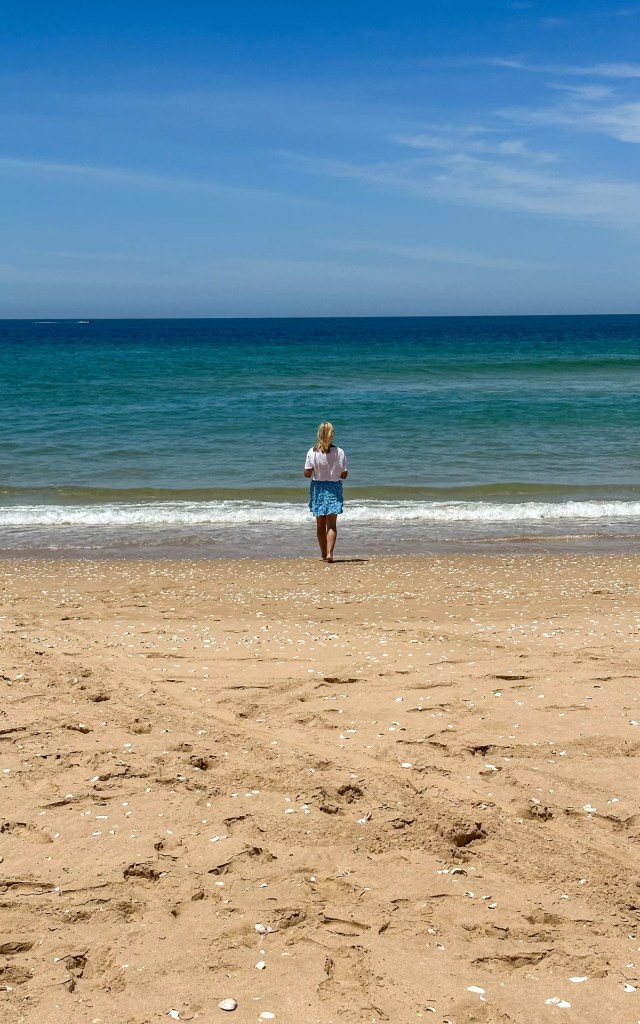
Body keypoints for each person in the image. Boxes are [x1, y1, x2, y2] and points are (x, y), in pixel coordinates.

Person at [304, 422, 348, 562]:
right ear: (332, 435)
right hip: (334, 487)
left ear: (319, 434)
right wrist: (334, 473)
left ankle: (323, 554)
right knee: (332, 524)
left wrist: (312, 471)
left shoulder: (312, 452)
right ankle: (330, 553)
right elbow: (344, 474)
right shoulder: (339, 451)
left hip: (318, 488)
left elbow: (307, 473)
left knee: (320, 524)